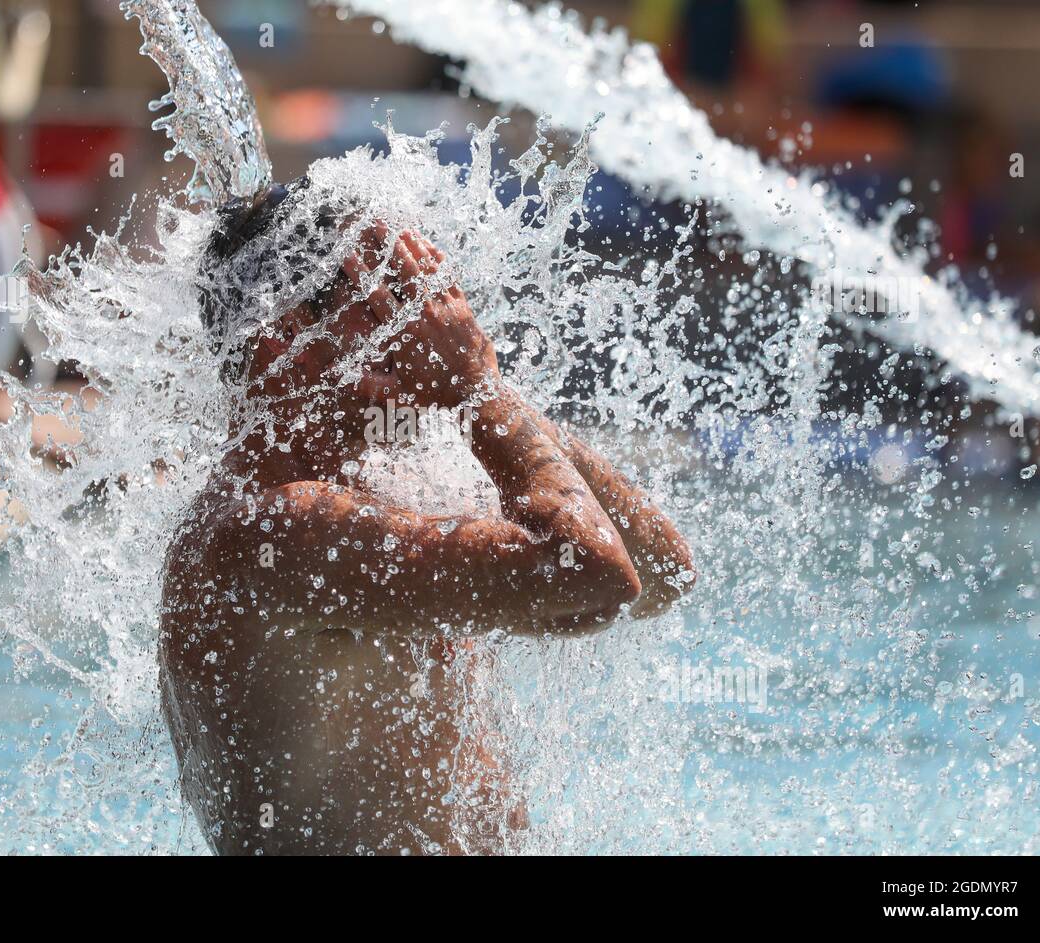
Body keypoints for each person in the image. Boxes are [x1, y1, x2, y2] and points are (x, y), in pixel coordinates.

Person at [160, 180, 695, 855]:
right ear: (285, 339)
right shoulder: (265, 529)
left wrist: (476, 388)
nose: (418, 318)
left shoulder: (392, 476)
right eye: (387, 301)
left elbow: (663, 572)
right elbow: (593, 572)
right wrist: (478, 388)